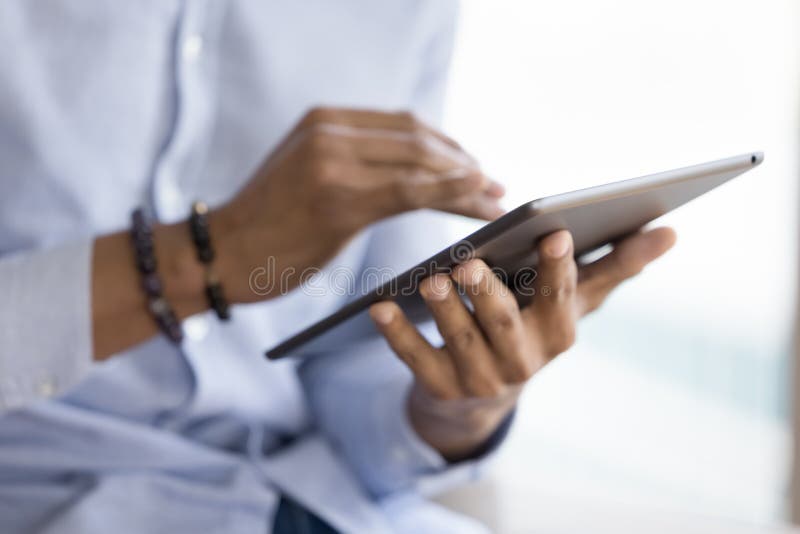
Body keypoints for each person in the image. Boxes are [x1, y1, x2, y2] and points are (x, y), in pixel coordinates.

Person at [0, 1, 676, 533]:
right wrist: (208, 257)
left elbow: (361, 354)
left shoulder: (408, 12)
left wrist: (455, 406)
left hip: (298, 499)